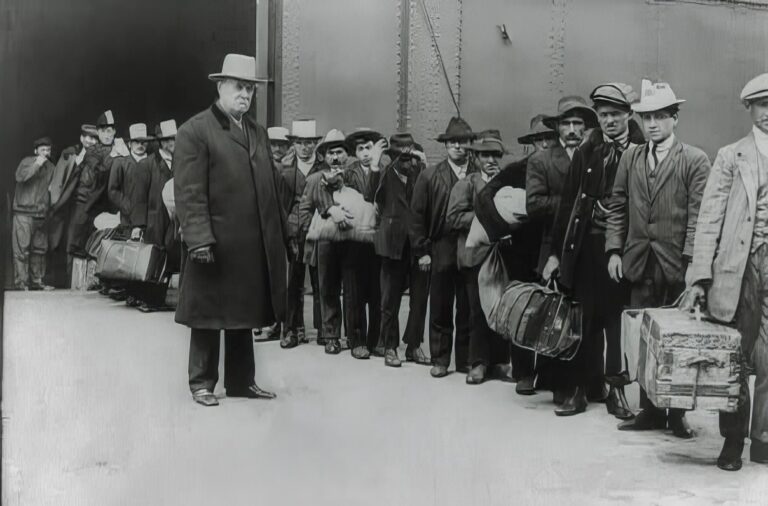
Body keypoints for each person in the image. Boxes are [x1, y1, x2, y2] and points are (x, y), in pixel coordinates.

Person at [174, 53, 290, 407]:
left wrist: (282, 237)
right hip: (215, 244)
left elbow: (269, 187)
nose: (245, 95)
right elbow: (189, 192)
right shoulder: (195, 131)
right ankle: (202, 383)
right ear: (220, 87)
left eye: (250, 89)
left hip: (251, 244)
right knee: (208, 314)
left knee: (244, 313)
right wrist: (199, 240)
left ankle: (241, 381)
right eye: (239, 87)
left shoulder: (255, 132)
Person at [605, 80, 710, 437]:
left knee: (677, 340)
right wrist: (614, 250)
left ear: (674, 119)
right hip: (638, 260)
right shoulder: (631, 156)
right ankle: (649, 410)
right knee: (643, 338)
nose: (652, 124)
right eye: (647, 117)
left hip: (675, 265)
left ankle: (676, 414)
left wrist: (691, 264)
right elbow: (617, 205)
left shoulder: (694, 160)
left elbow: (699, 216)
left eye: (660, 116)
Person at [683, 73, 768, 471]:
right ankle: (732, 441)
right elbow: (710, 219)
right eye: (763, 105)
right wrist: (700, 276)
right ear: (748, 108)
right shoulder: (731, 155)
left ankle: (764, 439)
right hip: (739, 269)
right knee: (734, 356)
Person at [544, 83, 645, 417]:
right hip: (586, 248)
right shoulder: (589, 150)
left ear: (628, 115)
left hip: (622, 250)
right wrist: (556, 253)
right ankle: (579, 389)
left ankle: (616, 390)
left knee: (616, 321)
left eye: (615, 114)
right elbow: (567, 204)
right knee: (582, 319)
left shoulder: (642, 149)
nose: (609, 121)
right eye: (603, 115)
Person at [473, 115, 556, 394]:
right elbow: (483, 198)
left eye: (549, 138)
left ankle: (547, 373)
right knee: (523, 309)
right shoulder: (518, 169)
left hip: (553, 251)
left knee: (551, 311)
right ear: (531, 143)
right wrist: (501, 231)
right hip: (520, 251)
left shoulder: (565, 169)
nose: (544, 143)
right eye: (538, 139)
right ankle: (523, 372)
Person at [527, 96, 597, 404]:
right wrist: (574, 206)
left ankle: (589, 382)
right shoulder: (541, 160)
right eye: (566, 123)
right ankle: (555, 380)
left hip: (587, 252)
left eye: (577, 124)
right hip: (553, 248)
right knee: (555, 316)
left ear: (585, 127)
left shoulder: (596, 155)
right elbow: (534, 204)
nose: (572, 130)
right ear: (557, 127)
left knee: (586, 318)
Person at [410, 116, 475, 378]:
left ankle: (466, 359)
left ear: (471, 145)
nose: (459, 146)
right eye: (453, 142)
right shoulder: (429, 176)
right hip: (441, 247)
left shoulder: (478, 174)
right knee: (440, 305)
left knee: (468, 305)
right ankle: (440, 358)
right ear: (446, 145)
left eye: (464, 142)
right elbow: (416, 217)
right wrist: (423, 251)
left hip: (471, 246)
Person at [446, 129, 510, 384]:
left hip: (503, 256)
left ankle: (500, 362)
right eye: (485, 155)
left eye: (495, 155)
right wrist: (488, 217)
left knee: (503, 308)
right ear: (477, 157)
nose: (491, 160)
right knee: (477, 311)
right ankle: (478, 363)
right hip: (475, 256)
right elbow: (452, 218)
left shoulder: (508, 181)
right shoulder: (467, 183)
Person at [374, 133, 431, 367]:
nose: (408, 163)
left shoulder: (421, 175)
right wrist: (375, 165)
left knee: (419, 300)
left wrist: (425, 163)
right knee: (390, 299)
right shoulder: (386, 176)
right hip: (393, 245)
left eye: (411, 158)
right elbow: (371, 196)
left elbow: (429, 201)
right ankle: (389, 346)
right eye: (402, 158)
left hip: (418, 245)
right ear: (393, 158)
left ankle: (414, 346)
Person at [297, 129, 356, 355]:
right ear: (325, 156)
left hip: (352, 242)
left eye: (339, 152)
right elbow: (304, 210)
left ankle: (353, 335)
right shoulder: (314, 180)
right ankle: (331, 335)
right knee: (328, 288)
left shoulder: (354, 177)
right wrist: (318, 224)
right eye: (330, 153)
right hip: (326, 244)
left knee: (351, 290)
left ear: (347, 155)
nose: (335, 158)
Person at [279, 119, 325, 349]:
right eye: (300, 143)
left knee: (321, 281)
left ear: (316, 144)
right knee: (294, 282)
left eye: (309, 143)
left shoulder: (324, 168)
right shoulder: (286, 171)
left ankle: (324, 330)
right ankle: (292, 329)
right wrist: (287, 234)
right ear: (294, 144)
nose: (305, 147)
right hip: (295, 232)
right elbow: (282, 206)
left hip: (318, 230)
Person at [343, 128, 386, 358]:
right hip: (355, 241)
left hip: (377, 241)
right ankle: (357, 340)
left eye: (369, 147)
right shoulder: (349, 174)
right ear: (355, 153)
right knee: (355, 294)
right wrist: (376, 169)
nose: (366, 153)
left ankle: (376, 340)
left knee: (378, 292)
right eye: (360, 149)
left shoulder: (385, 171)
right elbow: (368, 198)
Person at [135, 120, 179, 311]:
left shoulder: (182, 162)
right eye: (168, 140)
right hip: (155, 219)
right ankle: (150, 299)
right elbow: (139, 198)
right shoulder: (147, 165)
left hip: (173, 219)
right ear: (161, 142)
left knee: (171, 255)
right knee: (153, 257)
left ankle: (164, 298)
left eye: (174, 139)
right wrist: (139, 225)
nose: (173, 143)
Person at [47, 124, 99, 287]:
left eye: (94, 138)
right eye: (88, 137)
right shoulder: (70, 155)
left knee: (81, 244)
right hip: (66, 206)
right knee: (63, 242)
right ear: (81, 138)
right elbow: (57, 182)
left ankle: (81, 282)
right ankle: (62, 281)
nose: (91, 141)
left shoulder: (98, 157)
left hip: (84, 206)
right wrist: (55, 203)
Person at [66, 110, 117, 265]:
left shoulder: (122, 148)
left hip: (112, 204)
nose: (106, 135)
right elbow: (101, 170)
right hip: (91, 203)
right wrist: (115, 154)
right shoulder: (92, 151)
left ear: (114, 132)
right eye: (102, 131)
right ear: (98, 132)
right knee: (80, 244)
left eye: (109, 131)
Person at [12, 137, 55, 290]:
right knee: (22, 250)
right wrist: (37, 164)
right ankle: (22, 284)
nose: (46, 153)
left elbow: (53, 190)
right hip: (23, 213)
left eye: (48, 150)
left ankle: (37, 282)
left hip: (41, 214)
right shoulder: (26, 162)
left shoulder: (51, 167)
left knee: (39, 250)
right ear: (35, 151)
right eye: (42, 150)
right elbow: (20, 177)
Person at [107, 123, 152, 229]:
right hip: (128, 218)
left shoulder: (153, 163)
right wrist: (126, 205)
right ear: (129, 144)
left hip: (151, 218)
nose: (140, 145)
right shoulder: (120, 162)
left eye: (143, 141)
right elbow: (112, 190)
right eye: (136, 141)